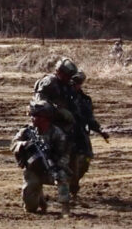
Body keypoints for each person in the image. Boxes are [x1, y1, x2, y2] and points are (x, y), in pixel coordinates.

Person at [11, 100, 71, 216]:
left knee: (62, 177)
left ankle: (65, 206)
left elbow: (64, 154)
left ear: (46, 118)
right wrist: (23, 145)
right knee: (30, 208)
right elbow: (13, 145)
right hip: (33, 169)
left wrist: (59, 166)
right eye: (32, 115)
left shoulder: (57, 134)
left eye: (37, 116)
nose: (33, 118)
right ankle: (39, 199)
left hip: (52, 167)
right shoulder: (27, 131)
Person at [68, 70, 109, 200]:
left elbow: (90, 119)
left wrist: (100, 131)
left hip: (80, 134)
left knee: (86, 159)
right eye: (74, 83)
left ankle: (74, 182)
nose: (76, 85)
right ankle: (68, 183)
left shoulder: (85, 100)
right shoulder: (62, 97)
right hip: (64, 132)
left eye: (79, 83)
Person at [33, 57, 79, 136]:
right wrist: (58, 110)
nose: (69, 78)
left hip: (61, 121)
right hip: (47, 121)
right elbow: (39, 105)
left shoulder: (66, 85)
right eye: (67, 75)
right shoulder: (49, 82)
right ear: (59, 72)